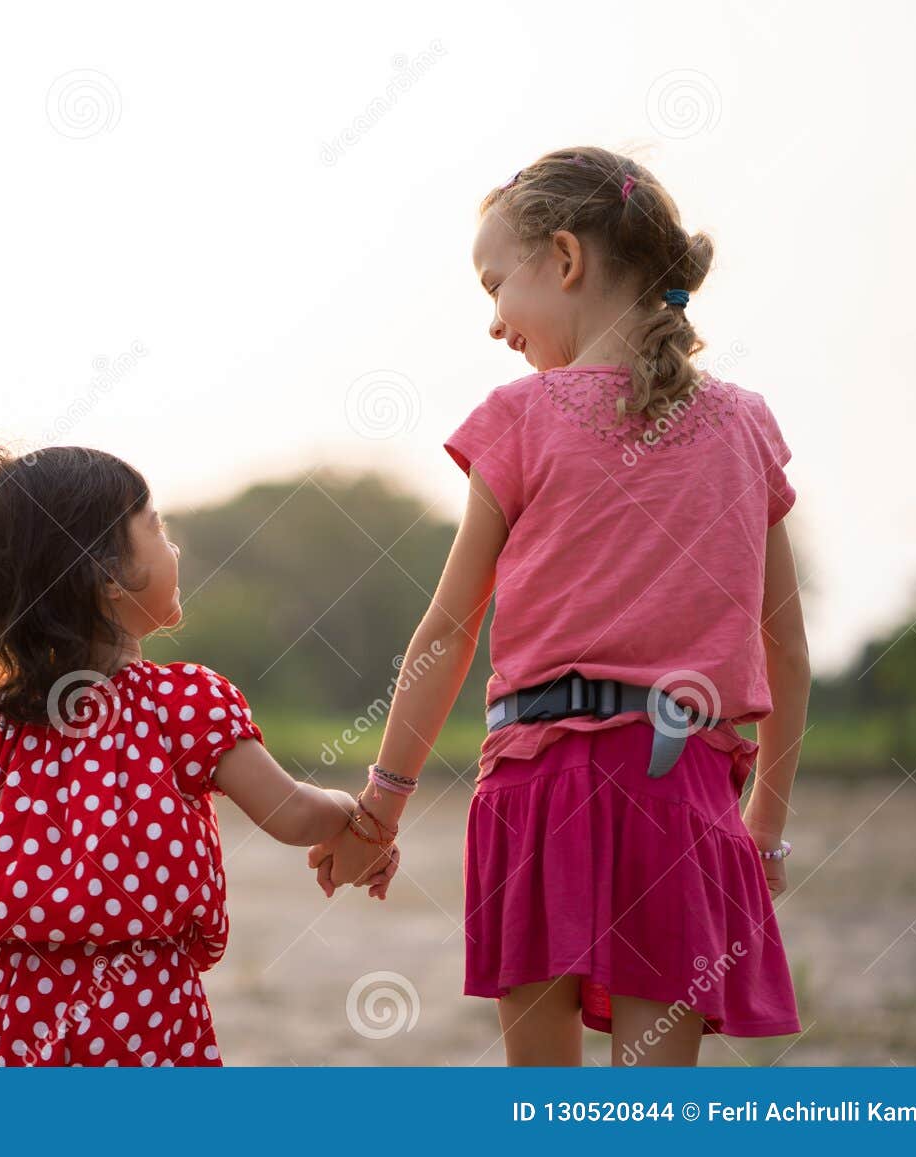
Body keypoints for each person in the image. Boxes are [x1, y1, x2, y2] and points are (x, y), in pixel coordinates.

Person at [309, 146, 809, 1066]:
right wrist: (764, 834)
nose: (495, 323)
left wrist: (380, 808)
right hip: (685, 796)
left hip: (539, 793)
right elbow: (788, 656)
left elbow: (448, 635)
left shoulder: (521, 415)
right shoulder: (745, 426)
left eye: (496, 284)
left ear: (566, 260)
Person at [0, 444, 391, 1066]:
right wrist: (359, 816)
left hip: (17, 1011)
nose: (173, 549)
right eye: (157, 530)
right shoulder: (186, 703)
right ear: (107, 575)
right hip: (148, 1006)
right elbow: (293, 815)